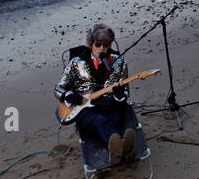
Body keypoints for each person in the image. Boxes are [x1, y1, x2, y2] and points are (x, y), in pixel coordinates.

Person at [56, 22, 139, 166]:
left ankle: (117, 149)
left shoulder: (118, 63)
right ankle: (124, 149)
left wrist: (119, 94)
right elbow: (59, 88)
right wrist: (69, 96)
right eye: (98, 44)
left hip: (110, 106)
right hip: (84, 109)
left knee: (114, 118)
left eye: (106, 45)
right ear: (90, 44)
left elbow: (125, 94)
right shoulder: (76, 63)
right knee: (99, 121)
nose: (102, 48)